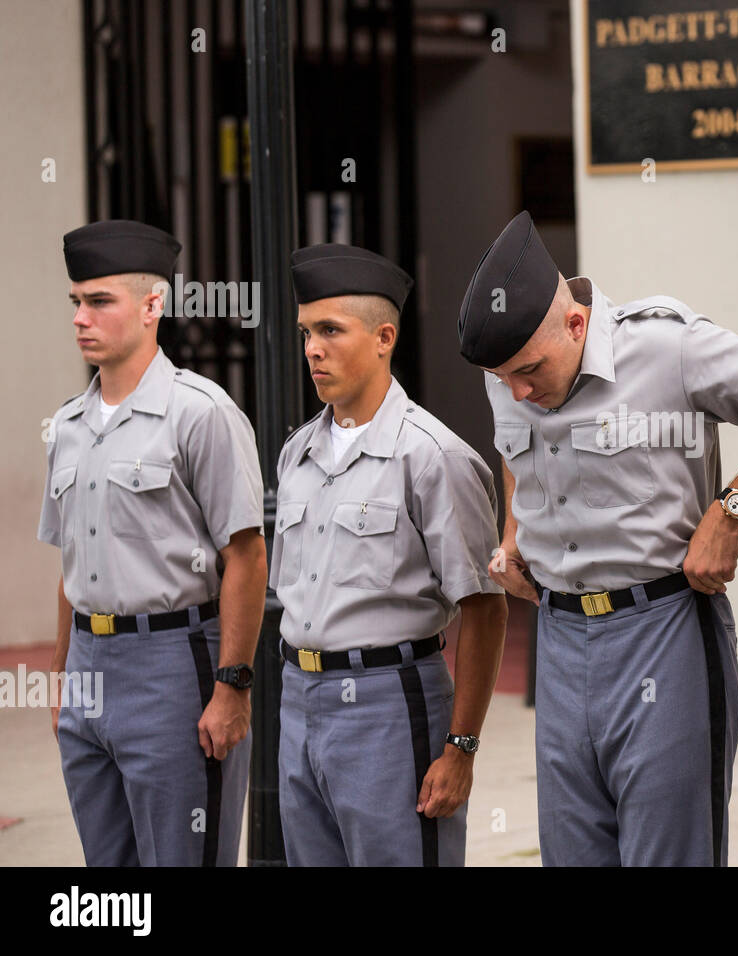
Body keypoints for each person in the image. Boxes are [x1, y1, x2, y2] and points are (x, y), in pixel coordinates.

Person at [457, 211, 738, 865]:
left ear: (575, 322)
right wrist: (514, 532)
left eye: (530, 370)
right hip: (559, 639)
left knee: (666, 852)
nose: (519, 391)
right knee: (572, 851)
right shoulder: (509, 373)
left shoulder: (666, 346)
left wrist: (731, 509)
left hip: (663, 631)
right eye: (504, 379)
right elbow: (516, 449)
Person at [272, 243, 507, 866]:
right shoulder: (296, 454)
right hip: (299, 700)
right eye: (305, 332)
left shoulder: (434, 457)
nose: (312, 349)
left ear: (383, 337)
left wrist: (461, 748)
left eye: (330, 330)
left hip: (388, 705)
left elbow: (484, 610)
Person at [40, 219, 265, 866]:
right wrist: (61, 680)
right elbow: (70, 562)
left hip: (173, 665)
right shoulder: (69, 426)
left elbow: (246, 557)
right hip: (90, 668)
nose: (81, 317)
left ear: (152, 306)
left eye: (100, 301)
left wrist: (232, 686)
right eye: (75, 302)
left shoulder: (203, 413)